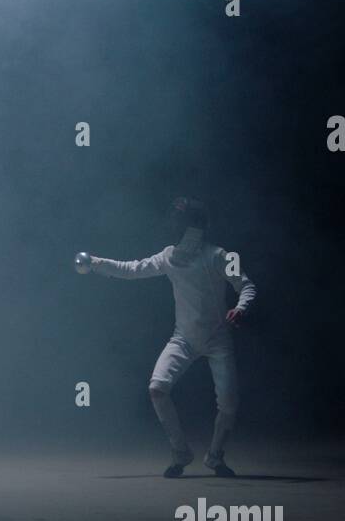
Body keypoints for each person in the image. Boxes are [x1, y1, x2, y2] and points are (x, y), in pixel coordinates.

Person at [75, 197, 256, 478]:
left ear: (191, 227)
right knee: (157, 388)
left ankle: (215, 456)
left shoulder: (219, 256)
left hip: (218, 339)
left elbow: (246, 286)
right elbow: (132, 269)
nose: (173, 227)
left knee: (229, 402)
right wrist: (97, 262)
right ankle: (180, 452)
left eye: (179, 222)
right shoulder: (168, 257)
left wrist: (240, 308)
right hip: (183, 338)